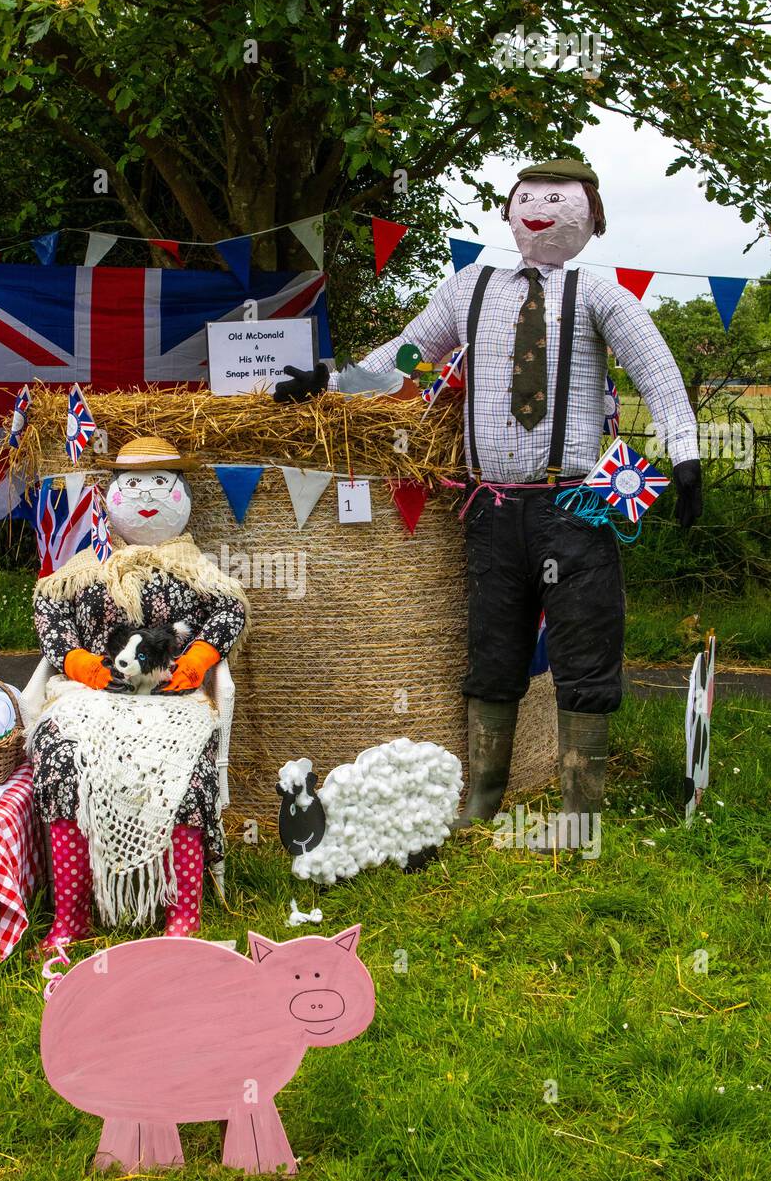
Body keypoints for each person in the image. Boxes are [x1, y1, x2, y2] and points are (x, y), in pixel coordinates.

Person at [276, 160, 702, 845]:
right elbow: (407, 358)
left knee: (585, 644)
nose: (539, 210)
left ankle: (579, 808)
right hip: (491, 506)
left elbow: (656, 369)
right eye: (527, 199)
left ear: (591, 220)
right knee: (493, 644)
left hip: (578, 505)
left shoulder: (601, 297)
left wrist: (684, 454)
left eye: (557, 202)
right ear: (508, 213)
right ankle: (482, 801)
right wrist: (328, 378)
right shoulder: (468, 290)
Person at [28, 437, 248, 946]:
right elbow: (49, 611)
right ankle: (72, 913)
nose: (147, 496)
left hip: (174, 700)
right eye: (134, 485)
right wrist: (76, 660)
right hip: (90, 698)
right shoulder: (87, 568)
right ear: (113, 495)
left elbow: (230, 610)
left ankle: (181, 911)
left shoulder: (197, 572)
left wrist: (198, 659)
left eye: (160, 484)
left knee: (188, 766)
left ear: (181, 494)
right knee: (62, 756)